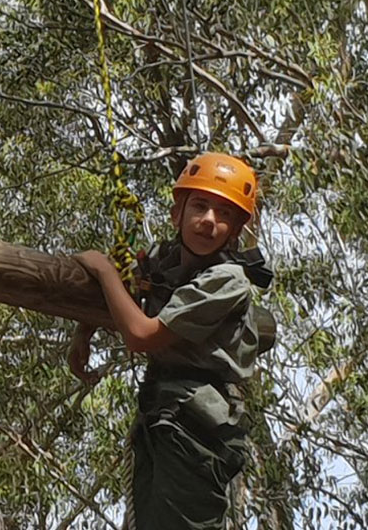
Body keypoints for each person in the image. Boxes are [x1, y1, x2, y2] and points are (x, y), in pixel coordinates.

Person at [67, 152, 277, 530]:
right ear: (176, 213)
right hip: (164, 412)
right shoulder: (166, 260)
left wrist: (101, 269)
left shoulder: (228, 280)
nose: (210, 221)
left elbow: (141, 335)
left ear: (235, 230)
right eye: (200, 205)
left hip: (198, 427)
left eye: (225, 214)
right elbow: (129, 295)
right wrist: (85, 330)